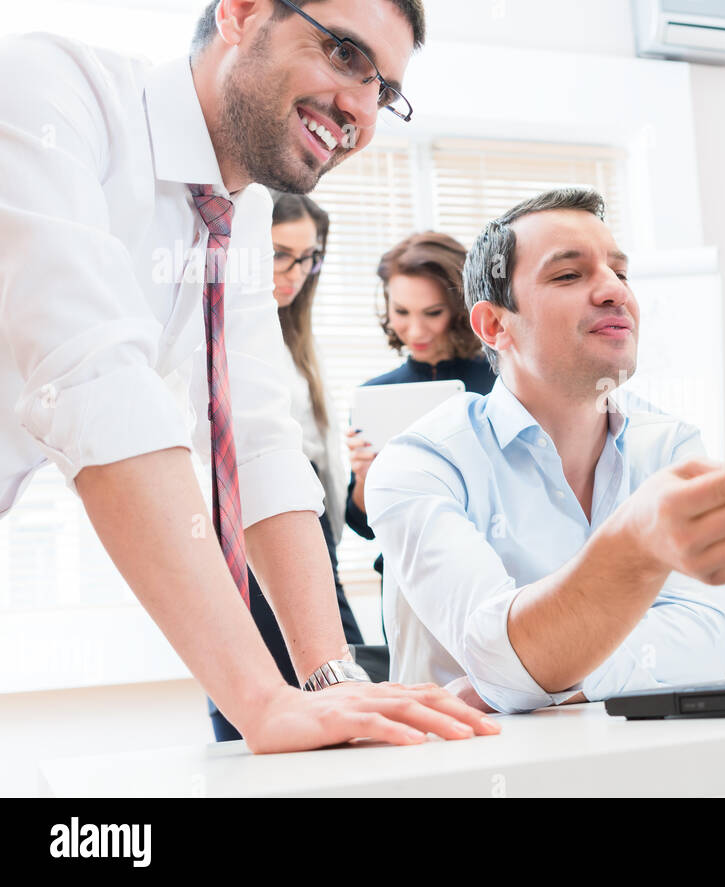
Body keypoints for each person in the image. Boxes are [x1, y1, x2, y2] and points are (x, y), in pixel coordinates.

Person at [0, 0, 497, 753]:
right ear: (239, 13)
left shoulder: (244, 211)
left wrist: (333, 679)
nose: (360, 111)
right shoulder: (50, 89)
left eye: (384, 91)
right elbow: (93, 379)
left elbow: (258, 436)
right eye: (343, 55)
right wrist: (262, 701)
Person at [364, 188, 725, 713]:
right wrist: (635, 545)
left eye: (620, 272)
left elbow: (701, 641)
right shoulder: (421, 463)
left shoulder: (669, 442)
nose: (614, 292)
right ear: (494, 324)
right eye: (569, 275)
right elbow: (501, 657)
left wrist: (534, 682)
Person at [206, 190, 367, 741]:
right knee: (268, 716)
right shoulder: (214, 329)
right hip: (252, 547)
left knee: (347, 708)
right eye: (279, 254)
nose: (295, 272)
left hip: (315, 545)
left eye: (307, 257)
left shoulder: (292, 333)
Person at [344, 231, 494, 575]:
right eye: (401, 311)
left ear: (460, 308)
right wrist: (367, 477)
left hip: (488, 571)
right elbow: (363, 526)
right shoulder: (375, 394)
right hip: (403, 579)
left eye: (432, 312)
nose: (414, 331)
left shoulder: (505, 384)